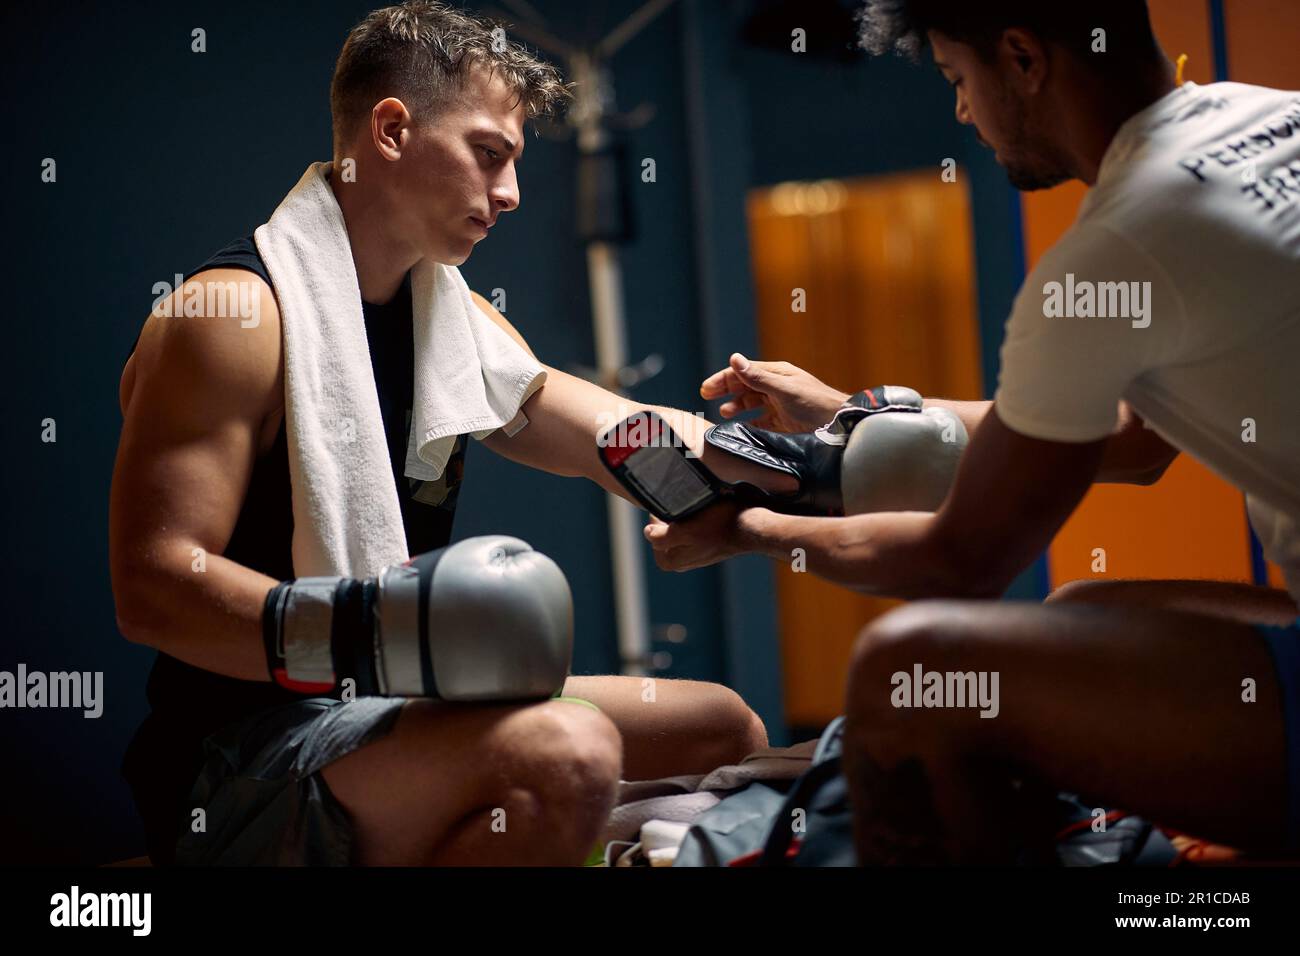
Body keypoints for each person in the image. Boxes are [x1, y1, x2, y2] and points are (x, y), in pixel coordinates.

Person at [110, 1, 772, 867]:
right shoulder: (232, 315)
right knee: (563, 753)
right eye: (489, 154)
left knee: (721, 729)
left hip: (392, 705)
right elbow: (153, 589)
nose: (510, 193)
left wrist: (786, 467)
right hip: (241, 755)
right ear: (390, 131)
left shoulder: (451, 323)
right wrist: (383, 634)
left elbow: (611, 437)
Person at [645, 0, 1300, 862]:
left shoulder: (1118, 247)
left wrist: (751, 528)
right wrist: (850, 410)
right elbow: (1137, 441)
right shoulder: (1273, 117)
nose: (961, 110)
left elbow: (960, 561)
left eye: (959, 79)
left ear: (1022, 58)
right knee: (1086, 616)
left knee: (911, 671)